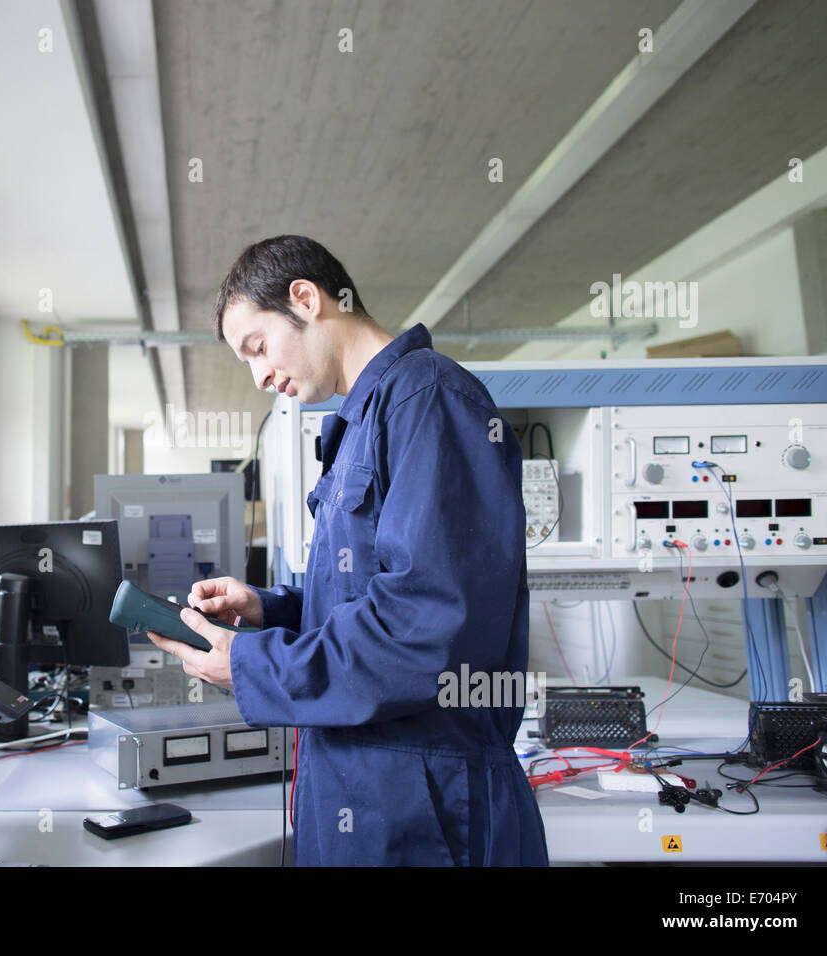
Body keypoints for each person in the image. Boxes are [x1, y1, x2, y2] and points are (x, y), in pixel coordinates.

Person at [146, 235, 548, 866]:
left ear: (304, 300)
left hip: (427, 810)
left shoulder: (429, 401)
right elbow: (368, 595)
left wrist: (253, 665)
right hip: (363, 793)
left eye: (257, 348)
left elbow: (428, 630)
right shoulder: (362, 424)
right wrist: (268, 611)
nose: (259, 376)